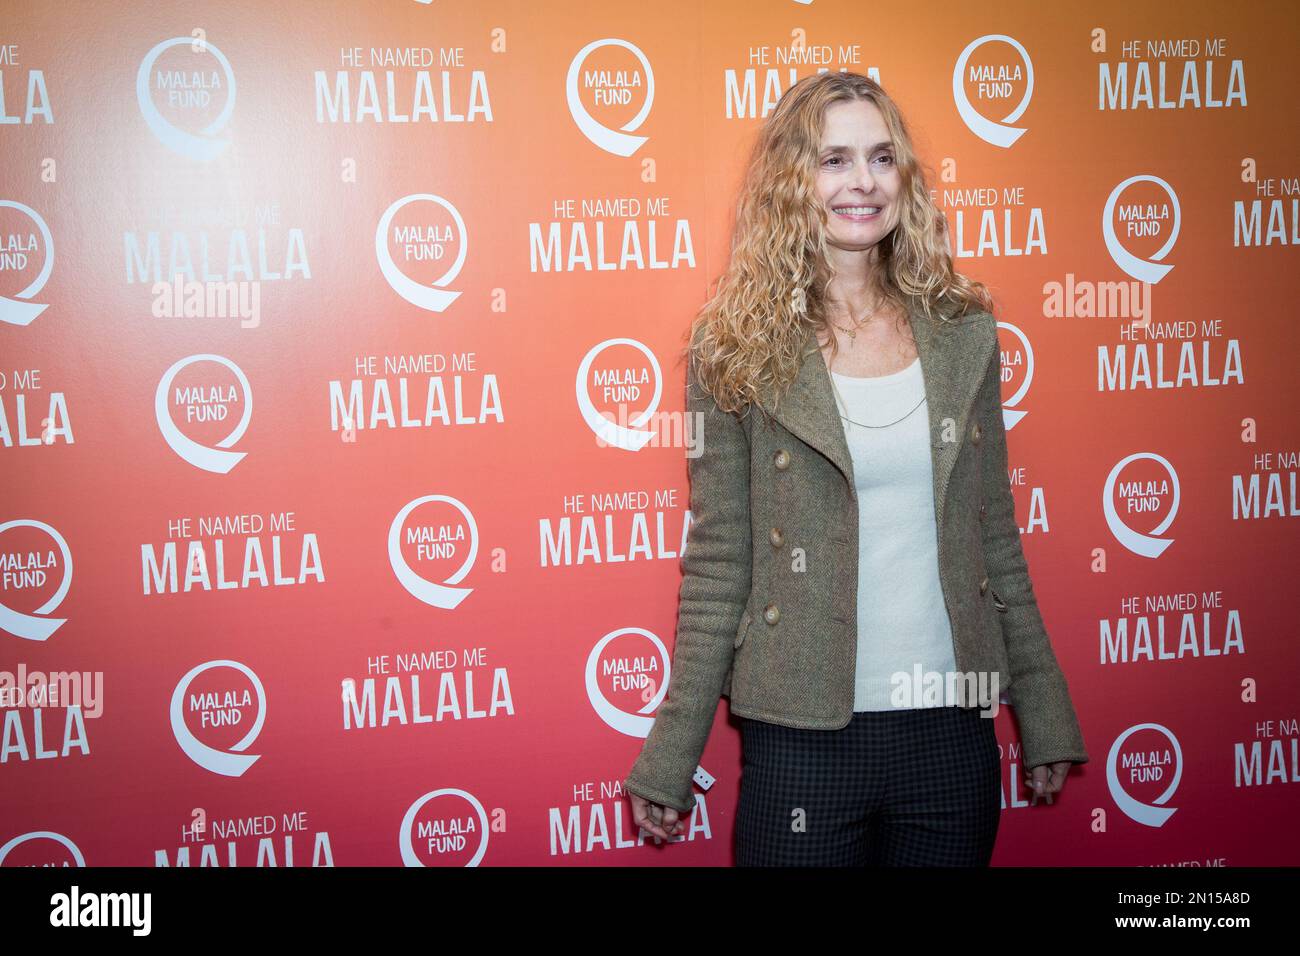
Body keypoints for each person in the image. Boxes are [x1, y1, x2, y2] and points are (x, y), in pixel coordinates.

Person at [623, 72, 1088, 865]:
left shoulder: (964, 334)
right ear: (790, 182)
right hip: (801, 738)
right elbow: (719, 562)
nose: (863, 182)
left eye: (881, 157)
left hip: (951, 724)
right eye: (833, 159)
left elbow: (994, 536)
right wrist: (671, 753)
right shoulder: (732, 349)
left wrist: (1043, 712)